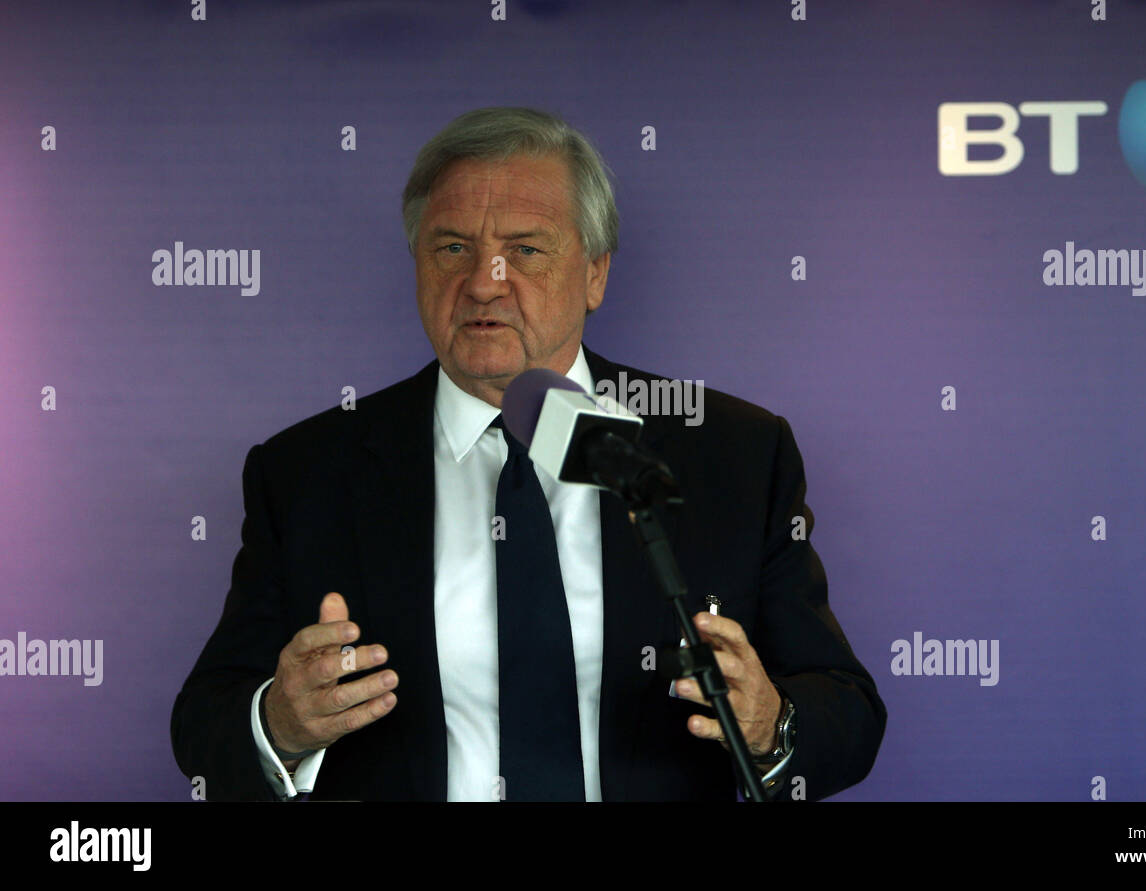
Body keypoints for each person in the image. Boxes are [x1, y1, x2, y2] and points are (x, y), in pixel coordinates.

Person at [170, 106, 886, 801]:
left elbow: (848, 714)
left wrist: (769, 725)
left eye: (526, 249)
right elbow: (206, 727)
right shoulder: (305, 471)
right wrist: (281, 725)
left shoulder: (732, 455)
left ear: (596, 273)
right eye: (452, 247)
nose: (485, 280)